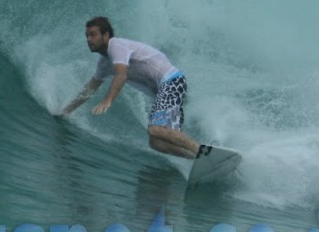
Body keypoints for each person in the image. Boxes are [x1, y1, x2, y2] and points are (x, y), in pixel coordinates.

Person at [58, 17, 208, 159]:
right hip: (167, 89)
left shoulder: (116, 45)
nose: (89, 39)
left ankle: (203, 152)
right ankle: (197, 158)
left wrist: (108, 100)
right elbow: (89, 89)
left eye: (93, 34)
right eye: (87, 36)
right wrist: (66, 110)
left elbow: (121, 75)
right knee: (156, 142)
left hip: (172, 82)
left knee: (156, 129)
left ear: (106, 35)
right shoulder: (104, 64)